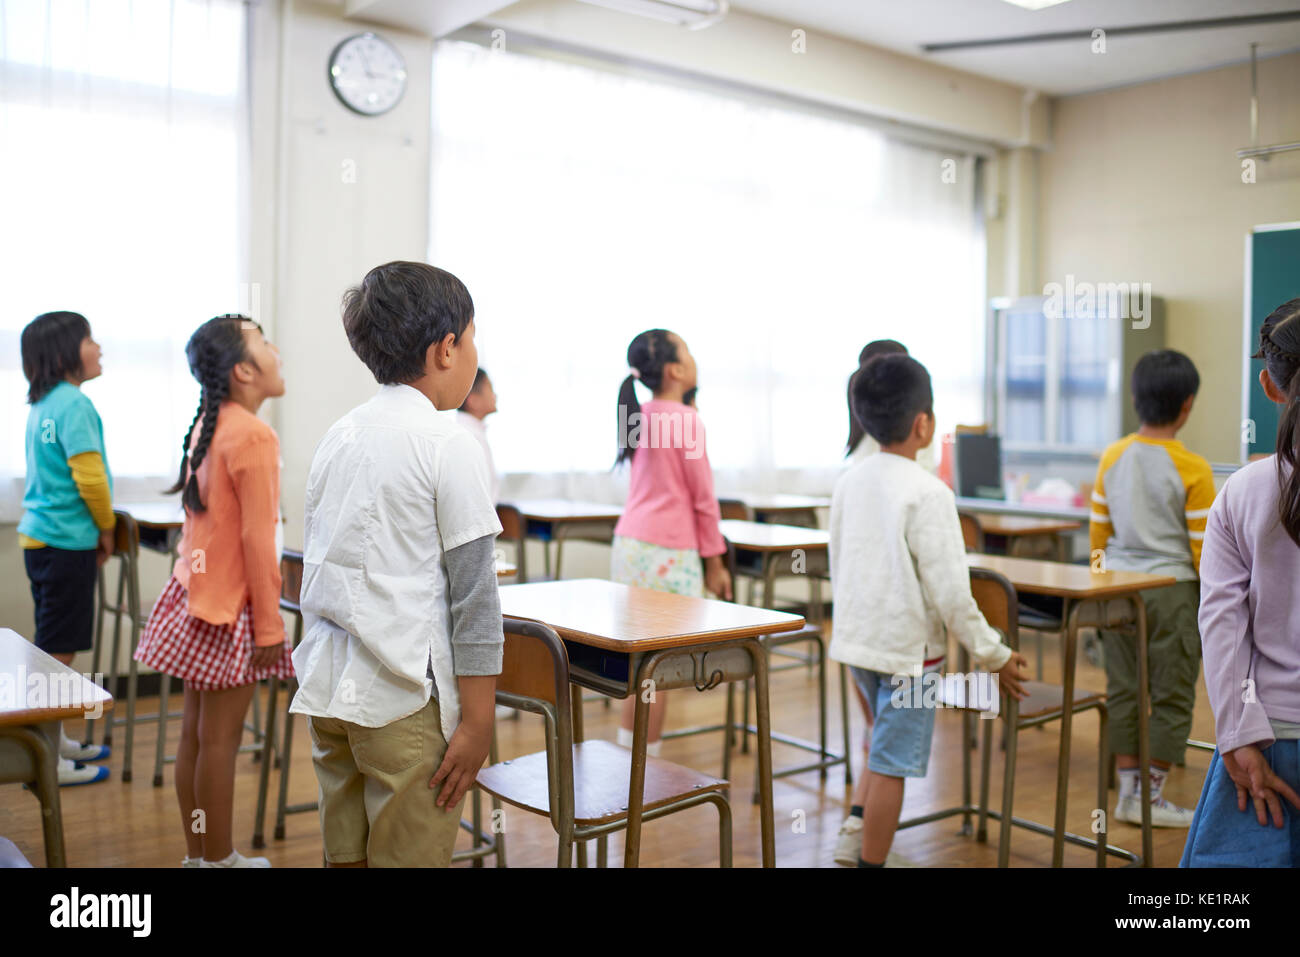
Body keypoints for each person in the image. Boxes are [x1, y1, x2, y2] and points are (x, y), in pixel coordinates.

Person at [290, 262, 503, 867]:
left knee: (347, 858)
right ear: (446, 349)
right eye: (472, 337)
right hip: (406, 705)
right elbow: (475, 599)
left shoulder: (340, 434)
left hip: (332, 692)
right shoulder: (448, 442)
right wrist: (478, 722)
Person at [829, 353, 1027, 867]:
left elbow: (838, 561)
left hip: (858, 643)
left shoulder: (849, 480)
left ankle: (857, 844)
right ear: (924, 423)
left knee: (879, 744)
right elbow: (952, 594)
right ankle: (873, 860)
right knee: (894, 763)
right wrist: (994, 654)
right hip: (910, 657)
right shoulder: (929, 493)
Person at [135, 314, 293, 867]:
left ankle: (199, 856)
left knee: (196, 738)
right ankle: (221, 859)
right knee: (219, 742)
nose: (277, 350)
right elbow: (257, 540)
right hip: (228, 609)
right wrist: (271, 626)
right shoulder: (253, 433)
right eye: (265, 343)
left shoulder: (211, 422)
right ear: (245, 370)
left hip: (193, 597)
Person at [1182, 302, 1300, 866]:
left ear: (1270, 386)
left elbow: (1222, 627)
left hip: (1267, 737)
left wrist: (1234, 734)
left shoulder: (1242, 491)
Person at [1090, 349, 1215, 828]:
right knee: (1173, 693)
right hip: (1172, 591)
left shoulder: (1113, 455)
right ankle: (1152, 797)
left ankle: (1126, 797)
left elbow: (1098, 534)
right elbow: (1204, 551)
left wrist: (1101, 583)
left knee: (1122, 689)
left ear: (1135, 398)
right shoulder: (1193, 468)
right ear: (1187, 406)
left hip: (1118, 590)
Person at [611, 329, 731, 754]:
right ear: (677, 370)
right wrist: (716, 564)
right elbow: (703, 501)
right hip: (669, 551)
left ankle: (630, 759)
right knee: (660, 670)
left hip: (631, 547)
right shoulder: (687, 422)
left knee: (641, 668)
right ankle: (645, 769)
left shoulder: (638, 414)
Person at [18, 311, 115, 786]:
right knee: (57, 653)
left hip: (41, 540)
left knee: (51, 644)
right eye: (90, 340)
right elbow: (90, 478)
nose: (99, 348)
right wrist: (107, 527)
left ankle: (56, 741)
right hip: (66, 541)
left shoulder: (44, 404)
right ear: (64, 353)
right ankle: (47, 760)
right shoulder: (73, 405)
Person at [457, 368, 500, 503]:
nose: (495, 395)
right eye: (490, 389)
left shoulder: (471, 431)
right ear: (473, 400)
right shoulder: (470, 437)